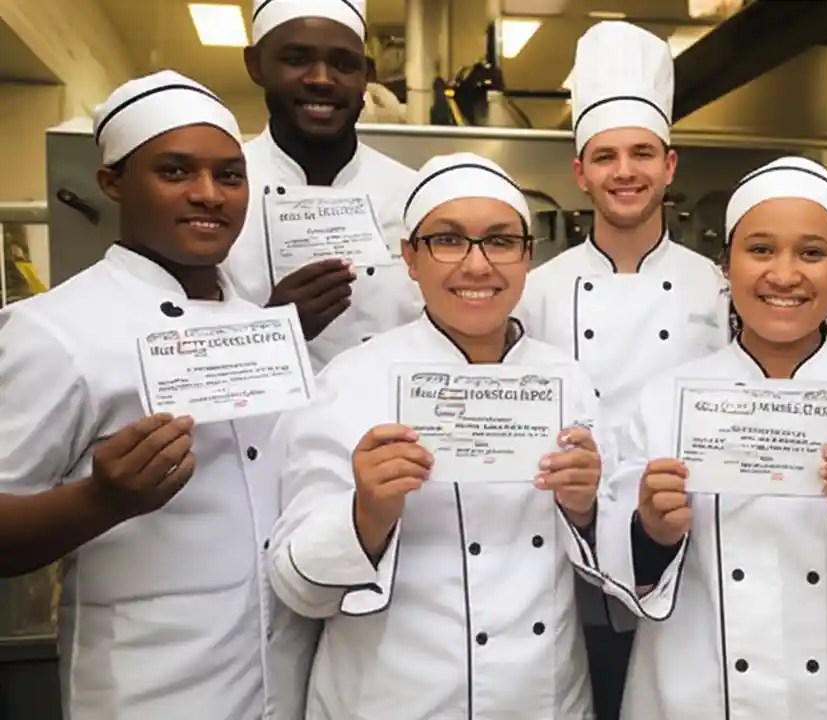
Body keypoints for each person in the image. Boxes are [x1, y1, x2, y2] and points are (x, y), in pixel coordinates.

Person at [590, 156, 827, 719]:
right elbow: (613, 548)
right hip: (695, 695)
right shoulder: (666, 399)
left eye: (812, 253)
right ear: (725, 265)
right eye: (760, 250)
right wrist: (651, 532)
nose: (784, 275)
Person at [267, 153, 606, 718]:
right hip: (388, 698)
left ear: (527, 255)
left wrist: (588, 508)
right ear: (410, 258)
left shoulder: (567, 381)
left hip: (539, 698)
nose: (477, 266)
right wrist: (365, 515)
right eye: (448, 240)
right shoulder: (353, 381)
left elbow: (616, 565)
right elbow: (296, 587)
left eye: (500, 242)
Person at [0, 70, 289, 719]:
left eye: (229, 176)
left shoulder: (262, 331)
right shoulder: (56, 331)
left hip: (284, 680)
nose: (209, 195)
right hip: (148, 689)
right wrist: (101, 499)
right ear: (113, 182)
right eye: (176, 172)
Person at [515, 20, 730, 717]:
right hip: (559, 565)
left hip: (687, 556)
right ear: (580, 172)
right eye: (605, 157)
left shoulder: (725, 289)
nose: (625, 171)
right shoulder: (536, 291)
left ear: (671, 165)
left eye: (642, 153)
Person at [223, 0, 421, 369]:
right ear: (255, 65)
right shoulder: (216, 193)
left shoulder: (414, 195)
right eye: (296, 59)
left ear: (367, 74)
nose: (321, 79)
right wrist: (273, 331)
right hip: (257, 426)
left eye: (344, 64)